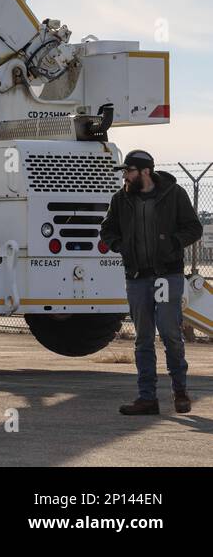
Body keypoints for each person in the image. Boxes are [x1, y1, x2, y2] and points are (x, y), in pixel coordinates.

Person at [101, 149, 200, 416]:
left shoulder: (174, 195)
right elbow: (107, 229)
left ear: (145, 172)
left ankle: (180, 391)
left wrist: (172, 243)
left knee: (170, 333)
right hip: (137, 277)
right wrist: (120, 246)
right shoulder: (120, 199)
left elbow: (194, 227)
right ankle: (147, 398)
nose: (125, 176)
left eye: (129, 171)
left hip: (167, 274)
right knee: (143, 338)